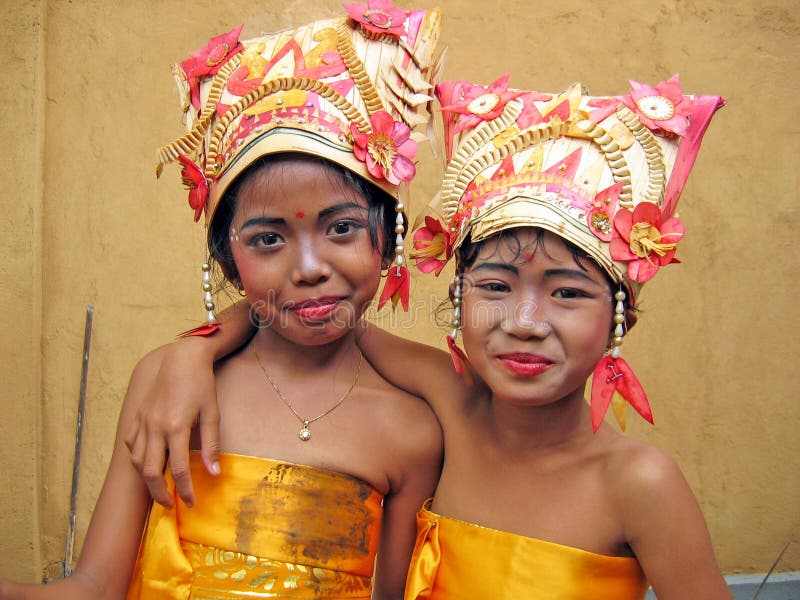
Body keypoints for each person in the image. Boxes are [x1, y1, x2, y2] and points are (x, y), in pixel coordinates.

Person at [125, 74, 733, 599]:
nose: (524, 321)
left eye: (568, 293)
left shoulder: (640, 483)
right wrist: (193, 350)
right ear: (460, 300)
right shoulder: (453, 407)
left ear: (620, 314)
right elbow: (322, 309)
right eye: (495, 287)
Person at [0, 5, 444, 599]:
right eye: (268, 240)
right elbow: (92, 588)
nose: (310, 269)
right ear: (229, 259)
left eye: (340, 229)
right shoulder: (166, 383)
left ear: (386, 233)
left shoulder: (412, 429)